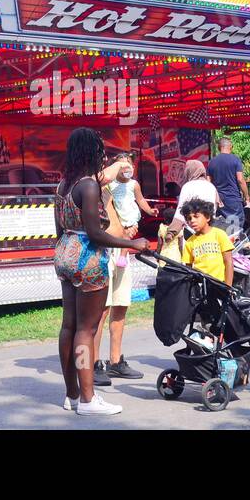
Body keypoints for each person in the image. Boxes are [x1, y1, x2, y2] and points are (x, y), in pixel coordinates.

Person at [53, 128, 149, 415]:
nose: (103, 155)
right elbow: (95, 234)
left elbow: (59, 228)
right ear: (91, 152)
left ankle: (71, 395)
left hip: (65, 254)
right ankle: (88, 399)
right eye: (100, 150)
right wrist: (132, 243)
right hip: (88, 260)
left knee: (68, 325)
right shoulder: (89, 186)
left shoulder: (62, 185)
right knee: (86, 328)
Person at [94, 157, 158, 381]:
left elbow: (138, 203)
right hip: (105, 252)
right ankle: (93, 363)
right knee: (101, 310)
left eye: (128, 164)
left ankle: (115, 360)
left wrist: (137, 224)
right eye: (121, 164)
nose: (126, 168)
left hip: (122, 251)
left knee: (120, 306)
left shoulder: (130, 187)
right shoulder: (100, 185)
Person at [180, 198, 234, 286]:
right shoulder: (190, 242)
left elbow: (228, 262)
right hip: (201, 285)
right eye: (189, 218)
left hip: (220, 284)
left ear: (208, 217)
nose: (192, 220)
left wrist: (228, 287)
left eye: (196, 216)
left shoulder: (219, 234)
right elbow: (188, 268)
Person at [207, 136, 249, 237]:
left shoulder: (211, 162)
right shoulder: (235, 160)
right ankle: (235, 248)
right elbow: (240, 179)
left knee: (220, 224)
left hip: (218, 200)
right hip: (233, 198)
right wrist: (247, 197)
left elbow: (208, 182)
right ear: (230, 147)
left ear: (219, 147)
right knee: (236, 225)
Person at [169, 159, 220, 233]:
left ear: (188, 171)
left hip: (191, 231)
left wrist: (172, 231)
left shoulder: (188, 186)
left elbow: (180, 212)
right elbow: (214, 208)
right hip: (209, 229)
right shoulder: (211, 186)